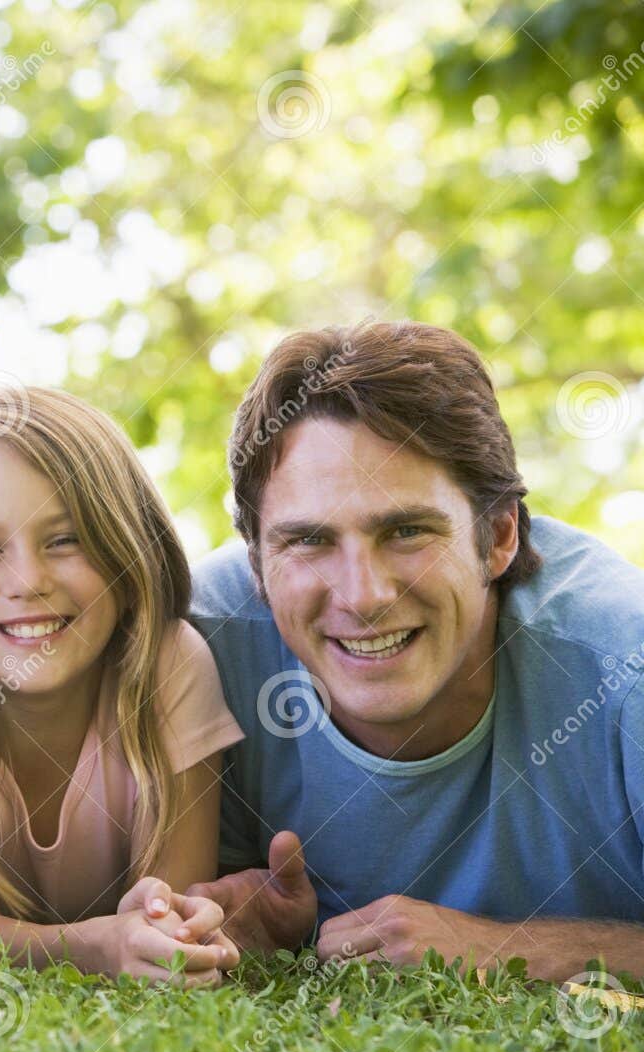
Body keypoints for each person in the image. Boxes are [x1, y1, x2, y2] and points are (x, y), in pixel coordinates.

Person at [189, 320, 644, 980]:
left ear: (498, 534)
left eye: (405, 530)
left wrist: (508, 947)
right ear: (257, 563)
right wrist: (229, 919)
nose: (364, 594)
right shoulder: (196, 643)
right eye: (310, 542)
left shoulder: (622, 666)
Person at [0, 386, 241, 985]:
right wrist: (98, 947)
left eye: (65, 540)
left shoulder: (169, 664)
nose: (28, 581)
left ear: (124, 552)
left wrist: (165, 927)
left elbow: (172, 901)